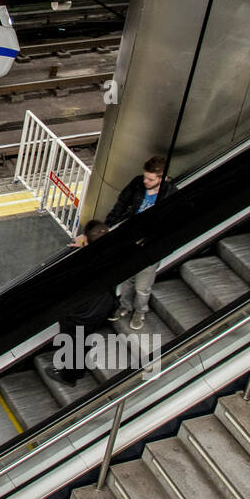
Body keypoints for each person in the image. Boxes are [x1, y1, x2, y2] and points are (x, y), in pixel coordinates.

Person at [106, 154, 177, 330]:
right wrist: (108, 225)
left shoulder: (170, 194)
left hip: (150, 245)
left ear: (163, 179)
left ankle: (140, 311)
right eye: (145, 176)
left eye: (151, 179)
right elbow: (121, 204)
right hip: (131, 240)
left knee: (142, 286)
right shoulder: (138, 183)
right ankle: (125, 306)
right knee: (128, 278)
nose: (145, 181)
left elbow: (169, 224)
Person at [46, 223, 113, 384]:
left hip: (80, 314)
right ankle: (82, 365)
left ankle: (70, 376)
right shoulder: (112, 253)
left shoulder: (81, 264)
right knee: (84, 341)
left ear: (87, 241)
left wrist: (77, 252)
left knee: (73, 344)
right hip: (102, 307)